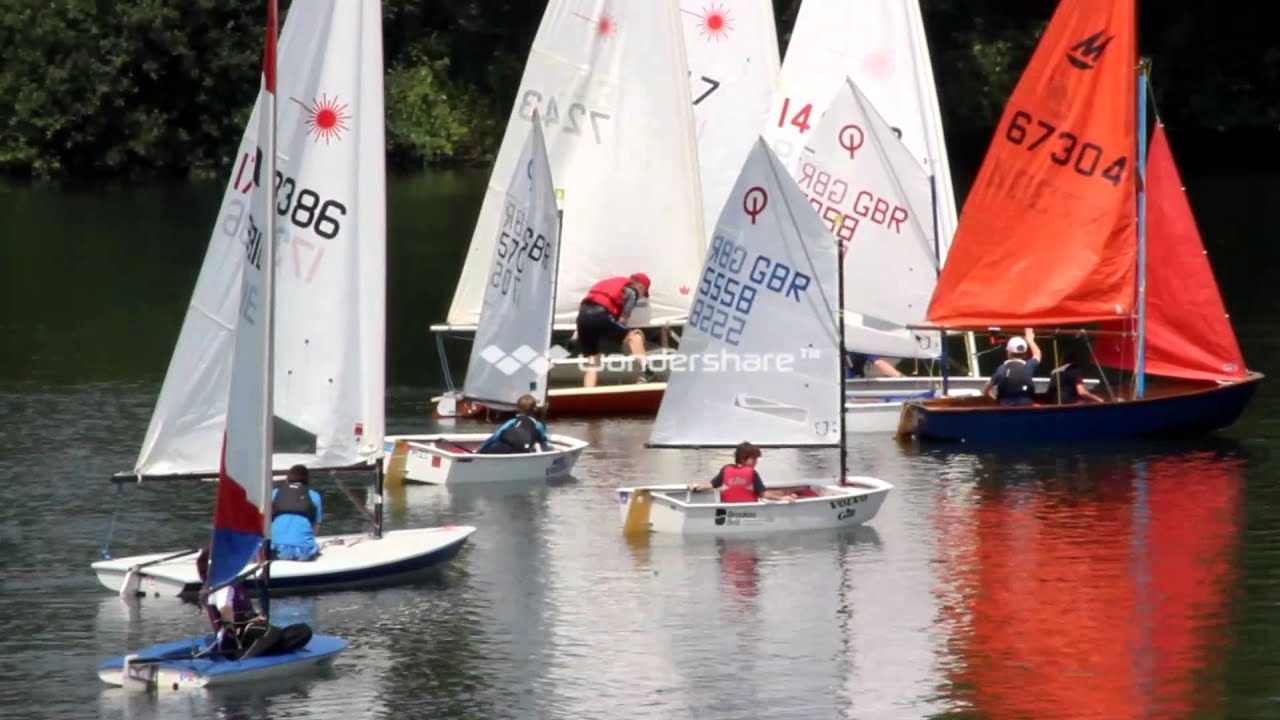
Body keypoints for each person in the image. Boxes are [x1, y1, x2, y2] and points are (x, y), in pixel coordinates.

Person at [195, 546, 313, 660]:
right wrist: (230, 627)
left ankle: (265, 652)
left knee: (302, 631)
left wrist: (256, 617)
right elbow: (225, 608)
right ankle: (242, 659)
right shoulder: (220, 586)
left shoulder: (233, 584)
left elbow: (244, 612)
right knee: (270, 632)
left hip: (249, 633)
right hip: (234, 640)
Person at [574, 273, 654, 387]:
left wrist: (577, 334)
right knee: (633, 337)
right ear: (641, 286)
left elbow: (589, 305)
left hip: (583, 318)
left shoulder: (603, 283)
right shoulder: (633, 291)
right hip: (601, 316)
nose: (640, 296)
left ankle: (588, 393)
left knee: (593, 360)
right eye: (643, 293)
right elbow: (622, 320)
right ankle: (648, 373)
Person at [686, 442, 797, 503]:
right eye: (754, 459)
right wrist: (782, 499)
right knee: (779, 493)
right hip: (748, 511)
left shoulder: (726, 469)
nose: (756, 462)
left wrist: (695, 487)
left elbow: (710, 485)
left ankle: (787, 493)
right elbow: (763, 494)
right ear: (743, 459)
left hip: (729, 509)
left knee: (780, 492)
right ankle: (788, 494)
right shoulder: (752, 473)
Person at [270, 465, 322, 561]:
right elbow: (316, 526)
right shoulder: (314, 496)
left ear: (287, 479)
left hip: (277, 550)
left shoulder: (274, 493)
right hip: (304, 551)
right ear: (307, 480)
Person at [983, 328, 1042, 406]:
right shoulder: (1028, 366)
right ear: (1024, 354)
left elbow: (986, 389)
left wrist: (995, 399)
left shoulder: (1002, 369)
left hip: (1006, 411)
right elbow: (1037, 355)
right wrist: (1030, 340)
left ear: (1008, 352)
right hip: (1026, 410)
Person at [478, 394, 552, 454]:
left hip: (501, 448)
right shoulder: (538, 425)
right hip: (521, 453)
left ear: (517, 408)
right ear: (535, 409)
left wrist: (480, 449)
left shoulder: (512, 422)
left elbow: (496, 436)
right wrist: (551, 450)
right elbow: (544, 443)